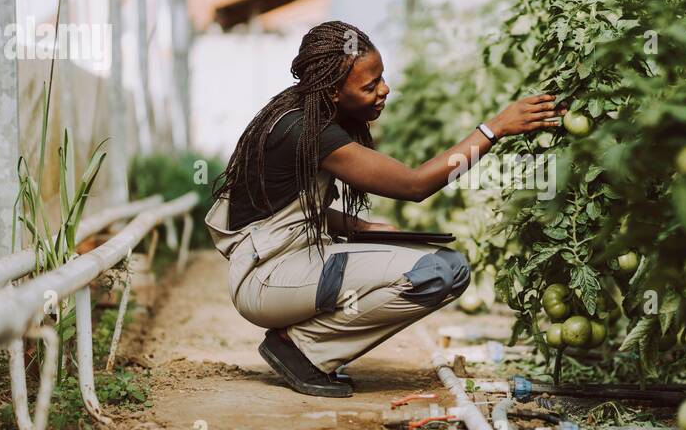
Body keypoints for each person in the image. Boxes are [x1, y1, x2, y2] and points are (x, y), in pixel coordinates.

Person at [205, 20, 560, 398]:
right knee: (442, 270)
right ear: (334, 91)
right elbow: (415, 185)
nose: (384, 90)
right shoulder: (307, 131)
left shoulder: (305, 114)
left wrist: (362, 227)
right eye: (370, 85)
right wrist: (493, 130)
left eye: (382, 78)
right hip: (268, 278)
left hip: (283, 266)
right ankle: (302, 349)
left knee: (435, 265)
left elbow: (282, 214)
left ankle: (302, 345)